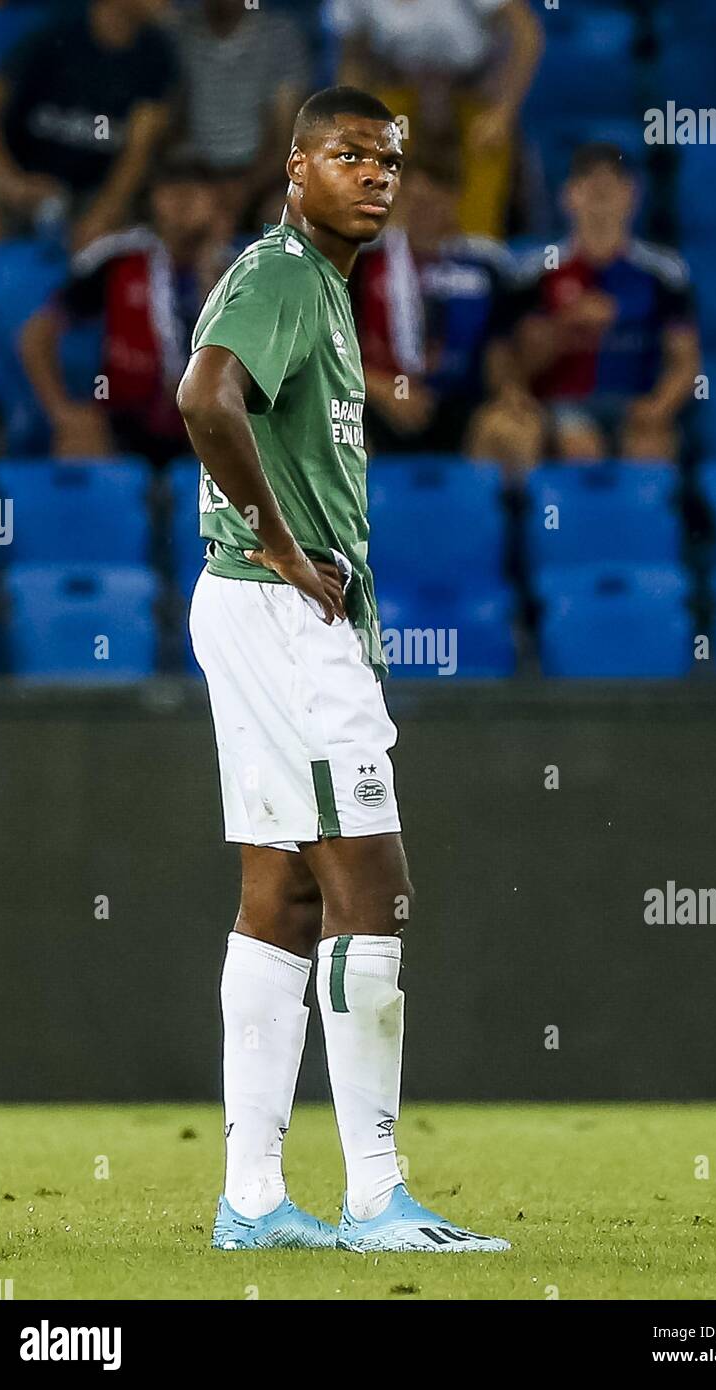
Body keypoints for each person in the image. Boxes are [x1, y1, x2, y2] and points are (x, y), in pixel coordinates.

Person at [177, 86, 509, 1254]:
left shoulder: (316, 280)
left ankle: (254, 1199)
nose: (376, 175)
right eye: (350, 155)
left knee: (283, 894)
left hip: (261, 610)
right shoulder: (277, 275)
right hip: (278, 609)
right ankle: (376, 1194)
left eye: (390, 159)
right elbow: (203, 396)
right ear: (296, 166)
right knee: (373, 880)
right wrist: (276, 538)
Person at [468, 143, 701, 472]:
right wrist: (561, 332)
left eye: (611, 188)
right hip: (561, 404)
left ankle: (644, 522)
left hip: (635, 400)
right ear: (568, 196)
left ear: (631, 196)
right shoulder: (534, 272)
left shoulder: (664, 272)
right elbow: (502, 353)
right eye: (589, 187)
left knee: (651, 448)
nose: (600, 198)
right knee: (577, 446)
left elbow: (685, 360)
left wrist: (659, 406)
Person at [21, 158, 228, 464]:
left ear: (217, 202)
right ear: (153, 198)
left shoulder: (241, 267)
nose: (182, 199)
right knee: (78, 437)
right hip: (120, 416)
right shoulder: (120, 257)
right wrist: (63, 411)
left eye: (196, 189)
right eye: (171, 189)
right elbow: (35, 336)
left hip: (204, 423)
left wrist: (209, 273)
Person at [0, 0, 176, 251]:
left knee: (116, 249)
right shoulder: (53, 28)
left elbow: (139, 148)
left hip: (89, 196)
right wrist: (8, 178)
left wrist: (102, 215)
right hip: (19, 177)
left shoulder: (157, 54)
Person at [349, 146, 516, 454]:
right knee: (336, 433)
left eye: (432, 201)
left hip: (462, 406)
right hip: (375, 403)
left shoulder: (484, 265)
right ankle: (358, 504)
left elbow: (498, 349)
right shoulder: (361, 263)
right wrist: (384, 391)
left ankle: (481, 503)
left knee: (510, 432)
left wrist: (511, 395)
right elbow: (332, 348)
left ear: (455, 198)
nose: (422, 211)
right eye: (413, 200)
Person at [330, 0, 543, 239]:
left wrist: (504, 112)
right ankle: (389, 249)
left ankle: (477, 246)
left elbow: (526, 32)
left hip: (468, 92)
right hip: (402, 92)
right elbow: (353, 55)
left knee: (488, 140)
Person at [173, 0, 310, 237]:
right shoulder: (180, 31)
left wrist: (243, 188)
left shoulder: (279, 36)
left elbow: (285, 139)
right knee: (175, 206)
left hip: (262, 179)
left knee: (289, 214)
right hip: (198, 173)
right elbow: (171, 125)